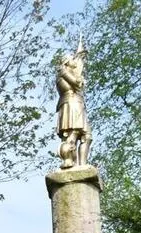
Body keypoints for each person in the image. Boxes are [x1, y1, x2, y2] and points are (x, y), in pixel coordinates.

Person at [55, 37, 92, 169]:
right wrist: (80, 78)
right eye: (71, 59)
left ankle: (82, 164)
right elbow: (77, 84)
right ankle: (69, 162)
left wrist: (79, 58)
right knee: (73, 134)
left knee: (87, 136)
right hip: (71, 104)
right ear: (66, 63)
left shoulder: (69, 71)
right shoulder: (63, 71)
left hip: (78, 103)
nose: (74, 61)